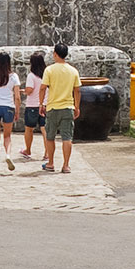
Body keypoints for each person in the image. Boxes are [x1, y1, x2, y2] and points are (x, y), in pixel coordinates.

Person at [38, 42, 81, 173]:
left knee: (50, 137)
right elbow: (77, 91)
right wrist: (77, 107)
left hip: (52, 107)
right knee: (67, 137)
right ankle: (66, 165)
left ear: (55, 54)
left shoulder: (49, 70)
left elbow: (43, 88)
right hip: (68, 107)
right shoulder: (73, 71)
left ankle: (51, 163)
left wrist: (41, 104)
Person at [20, 51, 47, 160]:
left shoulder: (31, 76)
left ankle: (28, 150)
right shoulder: (46, 74)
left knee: (29, 129)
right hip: (45, 104)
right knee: (45, 129)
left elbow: (30, 90)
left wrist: (23, 91)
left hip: (32, 105)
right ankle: (47, 153)